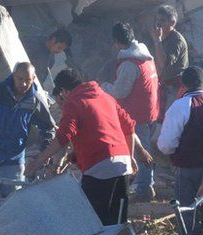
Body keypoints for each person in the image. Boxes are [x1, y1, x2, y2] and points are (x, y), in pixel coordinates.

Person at [26, 69, 139, 226]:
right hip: (123, 164)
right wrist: (130, 155)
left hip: (100, 168)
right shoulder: (105, 97)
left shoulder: (73, 102)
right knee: (118, 221)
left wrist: (36, 163)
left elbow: (64, 135)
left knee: (91, 221)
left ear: (64, 91)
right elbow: (128, 127)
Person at [0, 62, 56, 202]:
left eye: (27, 80)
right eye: (20, 79)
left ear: (33, 79)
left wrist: (44, 150)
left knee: (12, 200)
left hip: (13, 160)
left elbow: (49, 127)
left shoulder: (35, 100)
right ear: (14, 76)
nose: (23, 84)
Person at [103, 22, 161, 201]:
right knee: (145, 149)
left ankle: (144, 189)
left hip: (137, 115)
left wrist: (103, 86)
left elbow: (120, 92)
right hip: (151, 111)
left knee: (141, 151)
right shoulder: (146, 56)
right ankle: (146, 184)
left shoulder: (129, 64)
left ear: (116, 42)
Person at [157, 66, 203, 235]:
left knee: (187, 209)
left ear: (183, 84)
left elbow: (166, 144)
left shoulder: (180, 106)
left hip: (188, 167)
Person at [152, 4, 189, 110]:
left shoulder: (176, 41)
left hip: (175, 88)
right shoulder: (163, 39)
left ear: (172, 22)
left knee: (170, 117)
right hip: (164, 86)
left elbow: (164, 63)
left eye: (162, 20)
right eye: (157, 20)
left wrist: (157, 41)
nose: (158, 23)